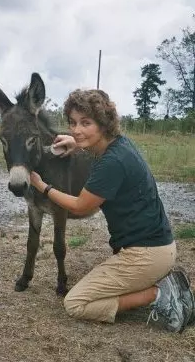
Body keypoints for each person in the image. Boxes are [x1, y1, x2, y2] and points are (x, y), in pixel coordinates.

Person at [30, 88, 195, 333]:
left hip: (145, 256)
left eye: (86, 123)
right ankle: (159, 281)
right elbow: (96, 147)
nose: (76, 129)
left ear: (104, 124)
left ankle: (159, 292)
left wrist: (43, 187)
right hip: (158, 247)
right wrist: (76, 143)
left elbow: (80, 205)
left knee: (75, 304)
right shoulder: (120, 145)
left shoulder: (111, 164)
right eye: (73, 123)